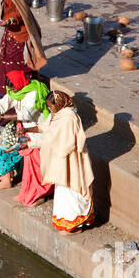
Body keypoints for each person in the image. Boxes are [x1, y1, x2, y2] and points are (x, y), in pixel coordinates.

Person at [0, 70, 50, 192]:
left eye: (13, 89)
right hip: (23, 128)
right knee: (8, 149)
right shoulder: (15, 91)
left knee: (35, 163)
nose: (12, 91)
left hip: (37, 132)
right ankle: (9, 177)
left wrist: (2, 117)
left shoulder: (33, 93)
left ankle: (37, 190)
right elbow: (6, 101)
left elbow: (26, 114)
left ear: (19, 85)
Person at [38, 91, 94, 232]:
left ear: (59, 103)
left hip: (72, 161)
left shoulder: (69, 118)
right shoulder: (59, 114)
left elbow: (63, 144)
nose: (50, 110)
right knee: (63, 191)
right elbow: (47, 128)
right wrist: (27, 130)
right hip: (63, 162)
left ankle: (75, 226)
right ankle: (68, 224)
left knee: (72, 190)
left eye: (51, 107)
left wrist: (33, 143)